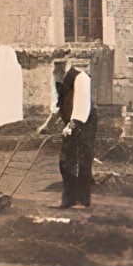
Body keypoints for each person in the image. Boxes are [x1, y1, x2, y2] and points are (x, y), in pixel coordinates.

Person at [39, 61, 98, 207]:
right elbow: (59, 106)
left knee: (80, 162)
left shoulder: (81, 78)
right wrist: (46, 125)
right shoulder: (62, 81)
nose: (55, 72)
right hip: (72, 123)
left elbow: (82, 106)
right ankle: (71, 198)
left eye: (59, 68)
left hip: (84, 124)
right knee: (66, 162)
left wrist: (72, 125)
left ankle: (79, 199)